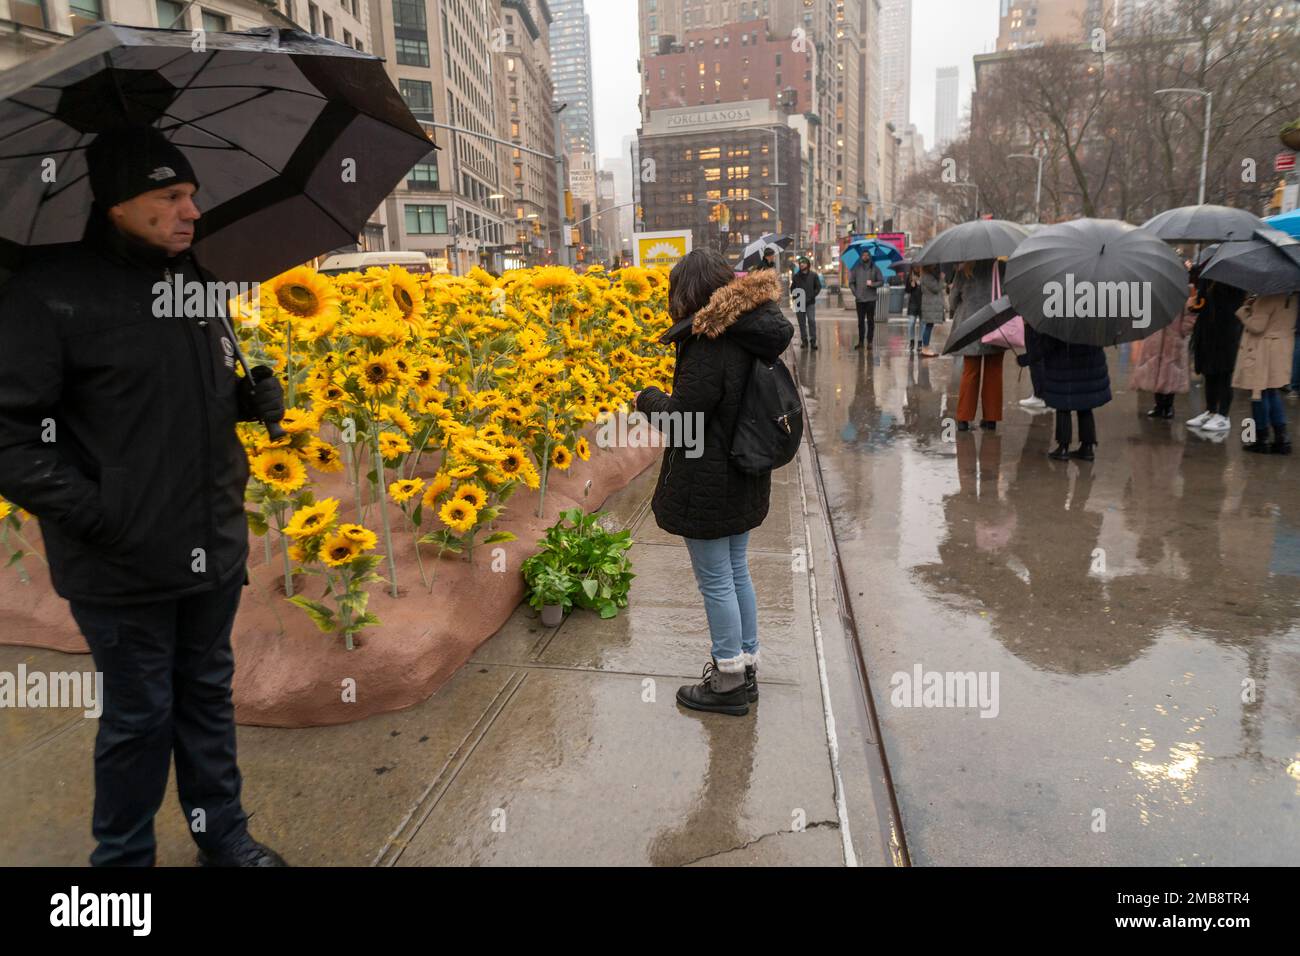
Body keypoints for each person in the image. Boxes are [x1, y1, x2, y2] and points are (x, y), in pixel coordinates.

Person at [0, 127, 288, 867]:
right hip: (121, 563)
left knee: (206, 702)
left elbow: (169, 401)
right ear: (118, 204)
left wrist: (244, 400)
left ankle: (221, 836)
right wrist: (101, 515)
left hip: (210, 544)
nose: (192, 210)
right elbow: (10, 435)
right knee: (138, 719)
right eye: (171, 197)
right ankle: (121, 868)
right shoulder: (46, 290)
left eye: (191, 194)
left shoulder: (193, 281)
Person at [635, 249, 793, 717]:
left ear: (688, 293)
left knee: (716, 581)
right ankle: (745, 668)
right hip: (743, 469)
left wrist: (648, 399)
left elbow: (684, 422)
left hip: (709, 477)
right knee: (736, 570)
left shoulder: (710, 342)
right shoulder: (750, 330)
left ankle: (727, 682)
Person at [1027, 324, 1112, 461]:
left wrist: (1027, 358)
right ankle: (1087, 447)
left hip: (1063, 363)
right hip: (1089, 363)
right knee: (1085, 404)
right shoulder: (1095, 309)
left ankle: (1063, 448)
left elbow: (1049, 344)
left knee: (1063, 405)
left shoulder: (1057, 311)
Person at [1234, 292, 1297, 454]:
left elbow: (1257, 326)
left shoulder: (1268, 297)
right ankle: (1282, 439)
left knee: (1259, 392)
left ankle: (1261, 439)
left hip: (1262, 351)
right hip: (1280, 348)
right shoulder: (1293, 297)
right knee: (1271, 391)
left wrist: (1245, 310)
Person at [949, 259, 1006, 431]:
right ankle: (991, 419)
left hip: (970, 326)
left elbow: (952, 300)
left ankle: (963, 419)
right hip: (995, 324)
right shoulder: (1002, 267)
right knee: (994, 372)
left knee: (970, 372)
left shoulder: (964, 269)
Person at [1130, 278, 1198, 419]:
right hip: (1155, 337)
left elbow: (1190, 315)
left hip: (1174, 339)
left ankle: (1168, 406)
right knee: (1155, 372)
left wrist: (1184, 331)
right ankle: (1159, 406)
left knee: (1171, 373)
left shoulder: (1183, 291)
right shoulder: (1153, 291)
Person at [1187, 279, 1245, 433]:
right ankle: (1210, 410)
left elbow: (1234, 307)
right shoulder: (1209, 277)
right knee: (1209, 371)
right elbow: (1202, 303)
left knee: (1224, 372)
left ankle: (1223, 415)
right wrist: (1196, 304)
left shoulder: (1235, 281)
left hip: (1226, 332)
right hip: (1207, 331)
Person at [849, 255, 885, 349]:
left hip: (871, 299)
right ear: (861, 257)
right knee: (860, 322)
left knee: (870, 321)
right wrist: (855, 293)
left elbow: (881, 281)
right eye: (863, 255)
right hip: (860, 299)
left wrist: (872, 284)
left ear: (869, 256)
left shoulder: (875, 268)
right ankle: (860, 342)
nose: (865, 256)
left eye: (867, 255)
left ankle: (869, 342)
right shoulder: (856, 268)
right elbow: (851, 282)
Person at [789, 255, 822, 350]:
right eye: (800, 263)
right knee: (801, 323)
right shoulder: (796, 277)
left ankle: (813, 341)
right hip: (799, 302)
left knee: (811, 320)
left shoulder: (813, 275)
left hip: (810, 302)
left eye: (803, 263)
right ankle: (804, 340)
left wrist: (813, 295)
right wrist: (795, 296)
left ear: (807, 264)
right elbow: (792, 288)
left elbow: (818, 287)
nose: (801, 265)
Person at [917, 264, 946, 357]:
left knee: (929, 325)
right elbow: (936, 288)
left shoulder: (927, 275)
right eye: (933, 265)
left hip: (930, 304)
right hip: (929, 305)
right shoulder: (927, 276)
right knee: (928, 326)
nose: (935, 266)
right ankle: (925, 348)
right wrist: (941, 279)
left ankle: (926, 347)